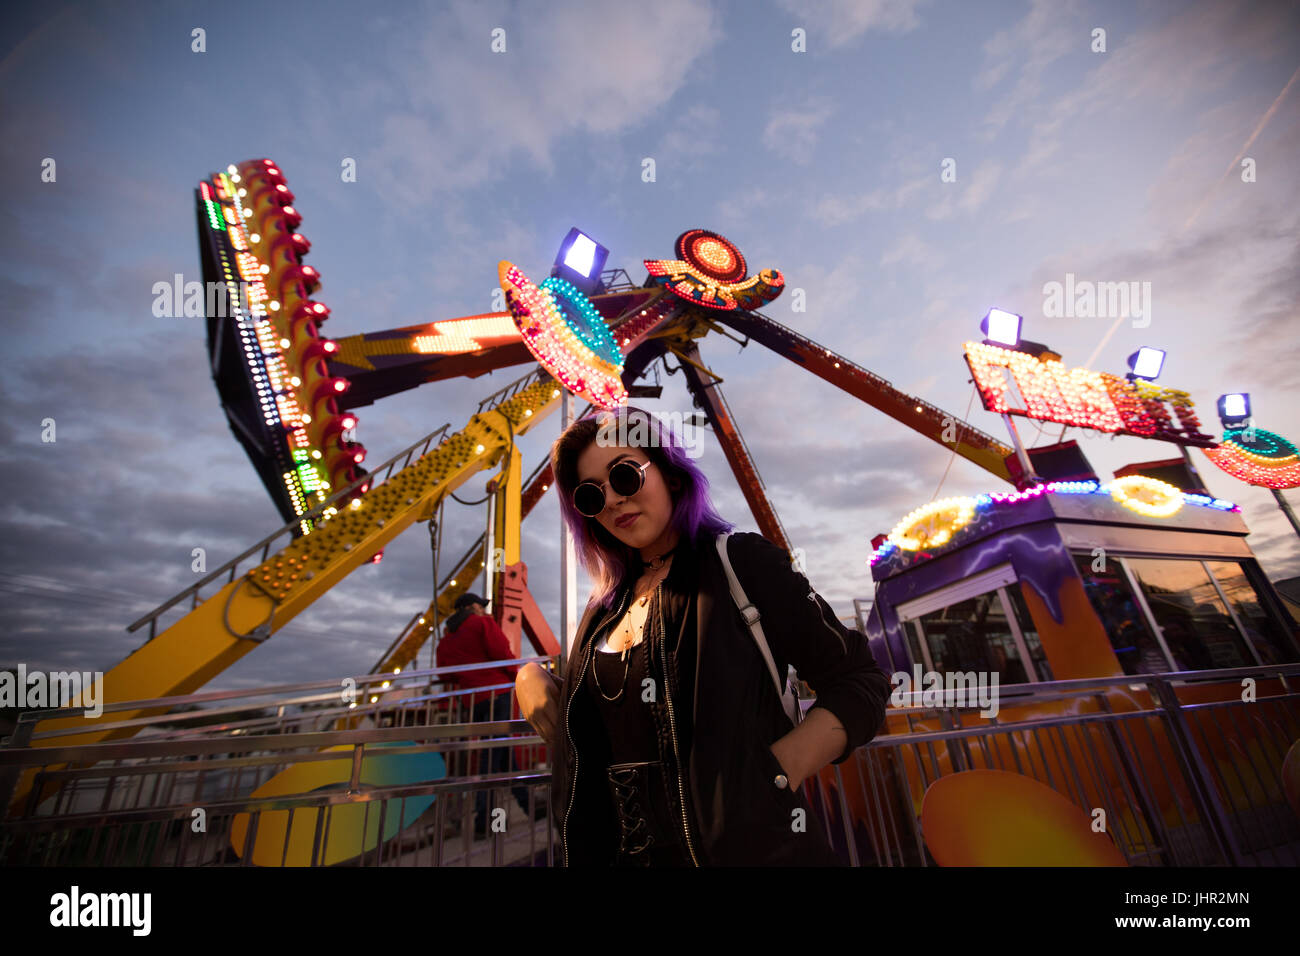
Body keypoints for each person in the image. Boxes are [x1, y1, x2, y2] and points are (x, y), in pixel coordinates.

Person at [514, 406, 893, 866]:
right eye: (591, 495)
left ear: (671, 475)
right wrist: (530, 676)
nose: (612, 500)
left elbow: (861, 679)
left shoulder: (742, 565)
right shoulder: (602, 613)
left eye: (625, 477)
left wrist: (779, 769)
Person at [437, 592, 544, 837]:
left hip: (472, 700)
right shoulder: (482, 623)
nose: (484, 610)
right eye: (480, 606)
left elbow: (444, 673)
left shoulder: (448, 637)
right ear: (470, 607)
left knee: (503, 754)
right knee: (492, 758)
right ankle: (483, 822)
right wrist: (517, 675)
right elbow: (501, 652)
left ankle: (529, 807)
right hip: (496, 694)